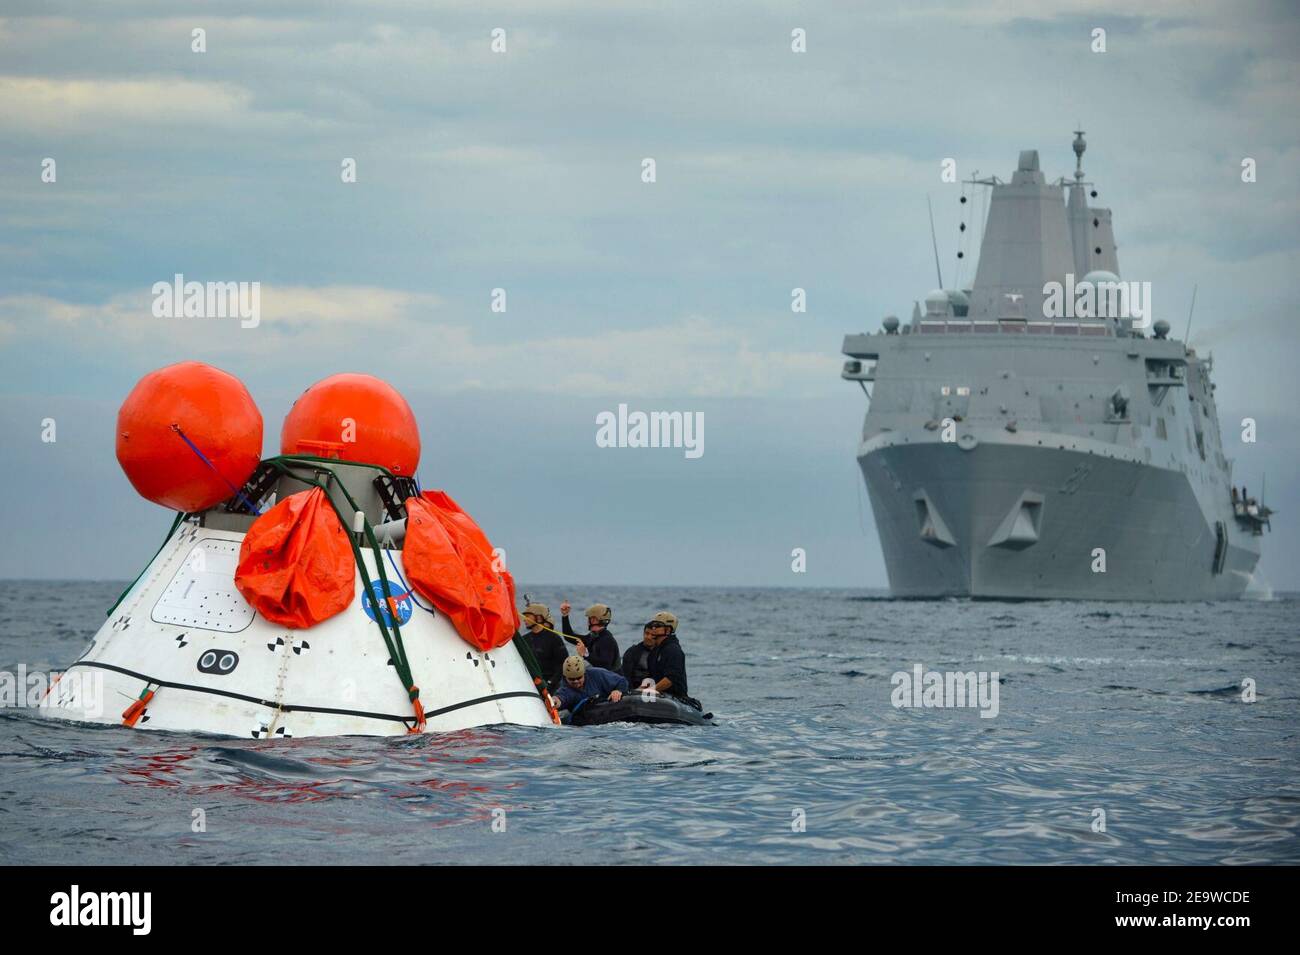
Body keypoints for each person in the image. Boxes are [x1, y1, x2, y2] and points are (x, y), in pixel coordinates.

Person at [641, 610, 701, 710]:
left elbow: (670, 679)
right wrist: (639, 691)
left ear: (668, 630)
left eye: (657, 626)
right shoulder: (655, 651)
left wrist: (650, 691)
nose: (652, 628)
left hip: (675, 698)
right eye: (652, 625)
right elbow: (651, 677)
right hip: (660, 696)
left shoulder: (673, 650)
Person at [554, 655, 628, 714]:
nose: (576, 681)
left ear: (584, 673)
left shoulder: (598, 674)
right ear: (565, 677)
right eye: (571, 679)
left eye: (579, 677)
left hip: (609, 709)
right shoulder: (565, 688)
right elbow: (561, 698)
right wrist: (555, 701)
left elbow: (622, 681)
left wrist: (618, 690)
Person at [560, 601, 621, 672]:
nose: (587, 621)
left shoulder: (607, 640)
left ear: (594, 620)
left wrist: (585, 654)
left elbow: (605, 666)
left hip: (612, 679)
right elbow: (568, 636)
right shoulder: (593, 636)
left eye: (589, 618)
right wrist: (565, 616)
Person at [520, 602, 566, 691]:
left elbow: (563, 664)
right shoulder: (524, 640)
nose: (524, 620)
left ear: (539, 618)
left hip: (552, 686)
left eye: (528, 617)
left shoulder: (554, 638)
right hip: (531, 685)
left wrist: (550, 683)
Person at [621, 620, 656, 689]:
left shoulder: (662, 653)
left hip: (655, 690)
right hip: (634, 690)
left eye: (653, 635)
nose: (648, 637)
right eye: (647, 633)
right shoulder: (632, 652)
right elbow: (625, 675)